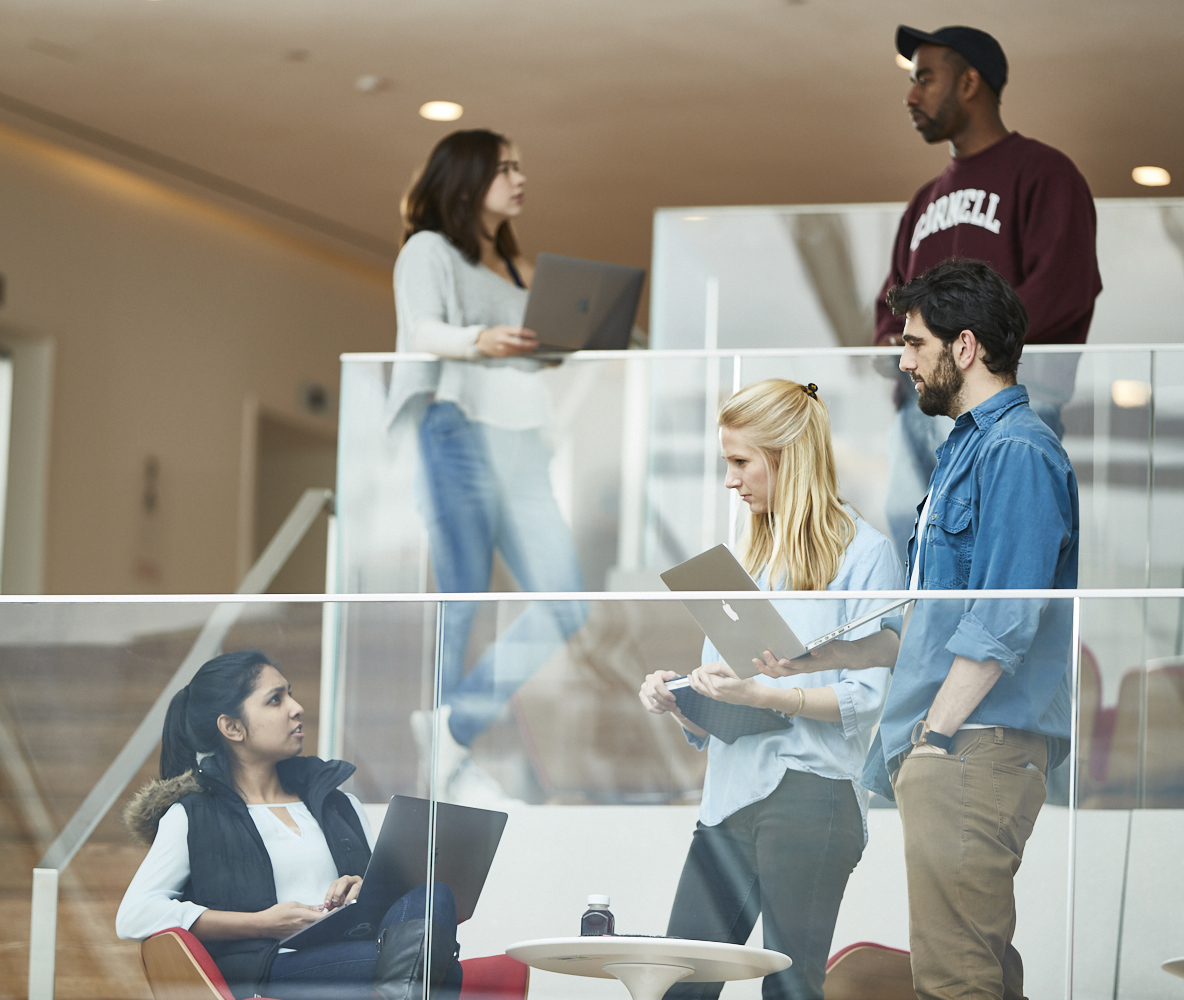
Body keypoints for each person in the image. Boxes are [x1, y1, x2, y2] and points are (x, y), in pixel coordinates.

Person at [765, 260, 1079, 1000]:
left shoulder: (1017, 452)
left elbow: (1002, 618)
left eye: (914, 343)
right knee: (977, 972)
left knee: (953, 979)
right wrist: (816, 657)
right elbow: (932, 627)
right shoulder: (965, 451)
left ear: (963, 347)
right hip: (954, 744)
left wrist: (933, 737)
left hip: (973, 744)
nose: (903, 360)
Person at [638, 379, 902, 1000]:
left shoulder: (867, 556)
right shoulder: (744, 562)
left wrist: (766, 697)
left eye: (740, 462)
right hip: (728, 799)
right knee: (680, 984)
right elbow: (725, 700)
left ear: (789, 458)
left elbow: (867, 701)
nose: (730, 479)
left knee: (790, 990)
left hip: (813, 798)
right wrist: (681, 698)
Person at [389, 129, 588, 806]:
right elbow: (422, 332)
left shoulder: (515, 269)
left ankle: (450, 727)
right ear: (469, 179)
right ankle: (445, 752)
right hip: (457, 430)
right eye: (505, 168)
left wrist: (551, 345)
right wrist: (483, 340)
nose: (519, 178)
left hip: (524, 440)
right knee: (463, 595)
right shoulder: (428, 251)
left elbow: (524, 355)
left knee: (567, 600)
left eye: (520, 167)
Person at [875, 24, 1100, 561]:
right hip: (922, 403)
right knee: (916, 535)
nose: (911, 94)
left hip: (1011, 402)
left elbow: (1065, 286)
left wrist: (968, 345)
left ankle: (985, 650)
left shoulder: (1045, 173)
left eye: (926, 78)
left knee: (1002, 552)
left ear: (970, 82)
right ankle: (933, 649)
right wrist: (900, 347)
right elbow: (891, 306)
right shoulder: (924, 200)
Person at [117, 651, 461, 1000]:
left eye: (290, 694)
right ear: (232, 727)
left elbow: (388, 920)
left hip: (353, 952)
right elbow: (134, 915)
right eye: (275, 700)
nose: (296, 708)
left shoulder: (340, 805)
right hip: (269, 970)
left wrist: (363, 888)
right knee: (441, 970)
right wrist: (262, 923)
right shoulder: (195, 815)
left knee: (434, 895)